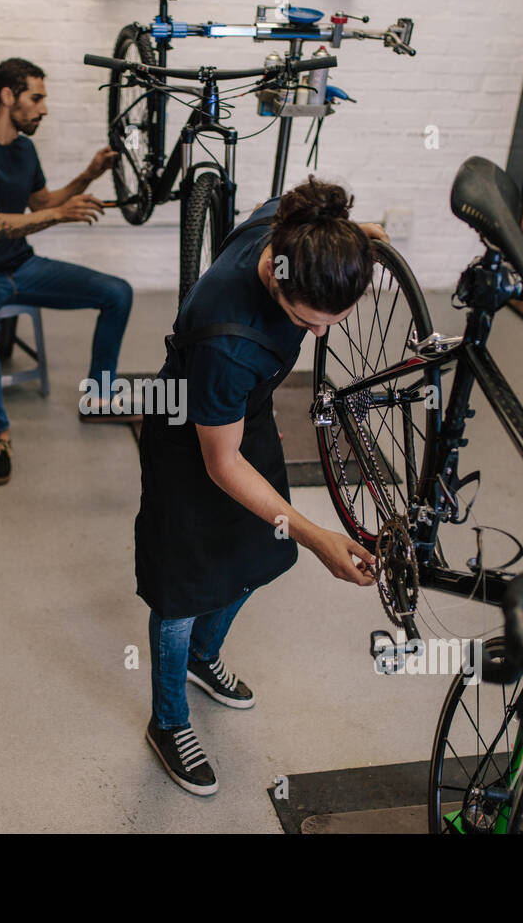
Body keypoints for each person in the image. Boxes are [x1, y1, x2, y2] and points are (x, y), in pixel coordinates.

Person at [135, 176, 385, 795]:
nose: (321, 334)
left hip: (248, 411)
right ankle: (167, 720)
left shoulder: (291, 224)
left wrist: (357, 241)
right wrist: (320, 536)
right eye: (308, 320)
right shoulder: (227, 340)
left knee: (256, 550)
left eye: (336, 320)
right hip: (192, 433)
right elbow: (220, 464)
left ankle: (202, 657)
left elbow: (309, 213)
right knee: (181, 589)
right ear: (277, 280)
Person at [0, 57, 136, 485]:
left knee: (117, 292)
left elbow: (43, 204)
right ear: (8, 97)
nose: (44, 108)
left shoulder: (24, 149)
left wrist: (89, 174)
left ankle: (99, 396)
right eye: (36, 98)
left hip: (22, 266)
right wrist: (62, 215)